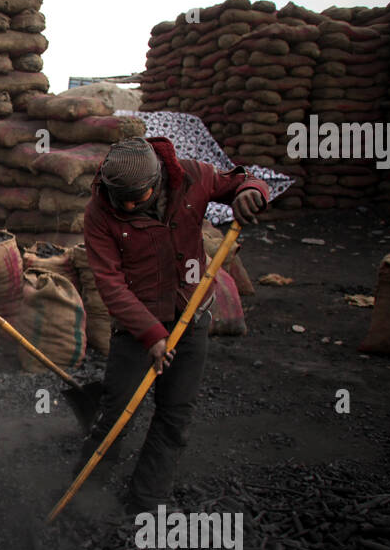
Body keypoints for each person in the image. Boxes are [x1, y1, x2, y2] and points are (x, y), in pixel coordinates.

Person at [80, 136, 269, 511]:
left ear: (159, 181)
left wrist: (251, 191)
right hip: (137, 328)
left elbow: (242, 181)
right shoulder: (99, 212)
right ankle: (85, 492)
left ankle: (146, 499)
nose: (129, 206)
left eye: (138, 198)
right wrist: (150, 334)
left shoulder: (192, 178)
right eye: (123, 201)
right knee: (116, 414)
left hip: (192, 314)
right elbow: (111, 285)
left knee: (175, 414)